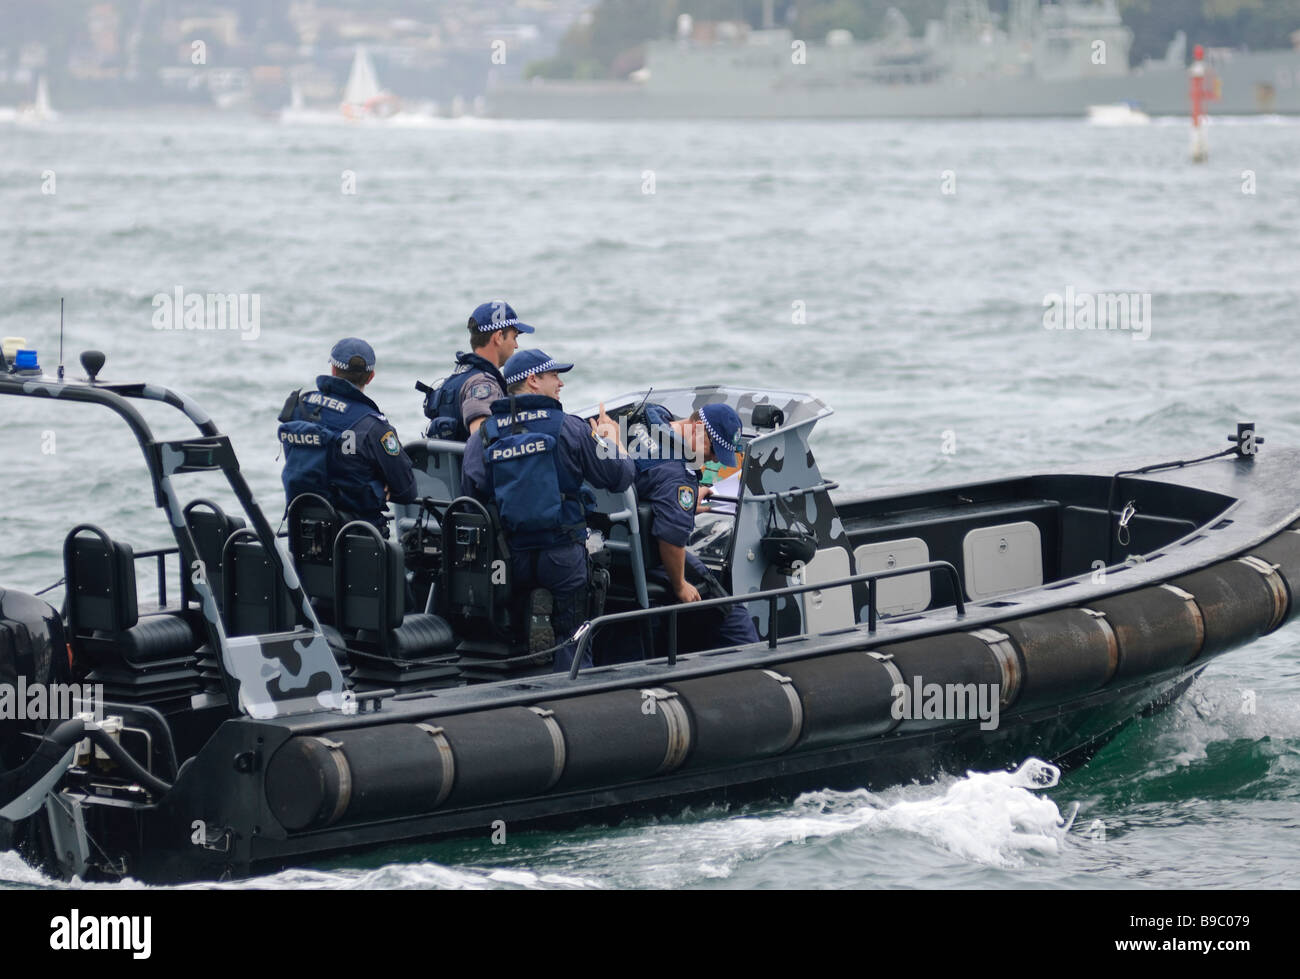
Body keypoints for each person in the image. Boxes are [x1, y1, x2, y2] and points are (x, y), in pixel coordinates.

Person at [461, 349, 634, 672]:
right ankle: (576, 703)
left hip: (509, 558)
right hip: (562, 553)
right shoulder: (570, 427)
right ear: (533, 380)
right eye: (554, 375)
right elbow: (618, 476)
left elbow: (470, 495)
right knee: (574, 635)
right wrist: (614, 442)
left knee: (510, 636)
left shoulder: (484, 435)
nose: (561, 383)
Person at [629, 401, 759, 651]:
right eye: (712, 452)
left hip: (621, 547)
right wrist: (680, 585)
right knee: (733, 618)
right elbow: (670, 538)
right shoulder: (676, 475)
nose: (711, 460)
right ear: (698, 427)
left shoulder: (643, 423)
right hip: (650, 557)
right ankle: (752, 659)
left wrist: (680, 506)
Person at [278, 337, 417, 533]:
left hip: (303, 533)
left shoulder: (299, 407)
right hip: (359, 538)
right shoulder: (374, 426)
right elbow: (407, 491)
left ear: (333, 370)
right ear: (370, 377)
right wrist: (379, 484)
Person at [422, 301, 534, 440]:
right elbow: (481, 439)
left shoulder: (456, 379)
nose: (516, 345)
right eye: (514, 337)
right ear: (499, 337)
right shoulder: (482, 384)